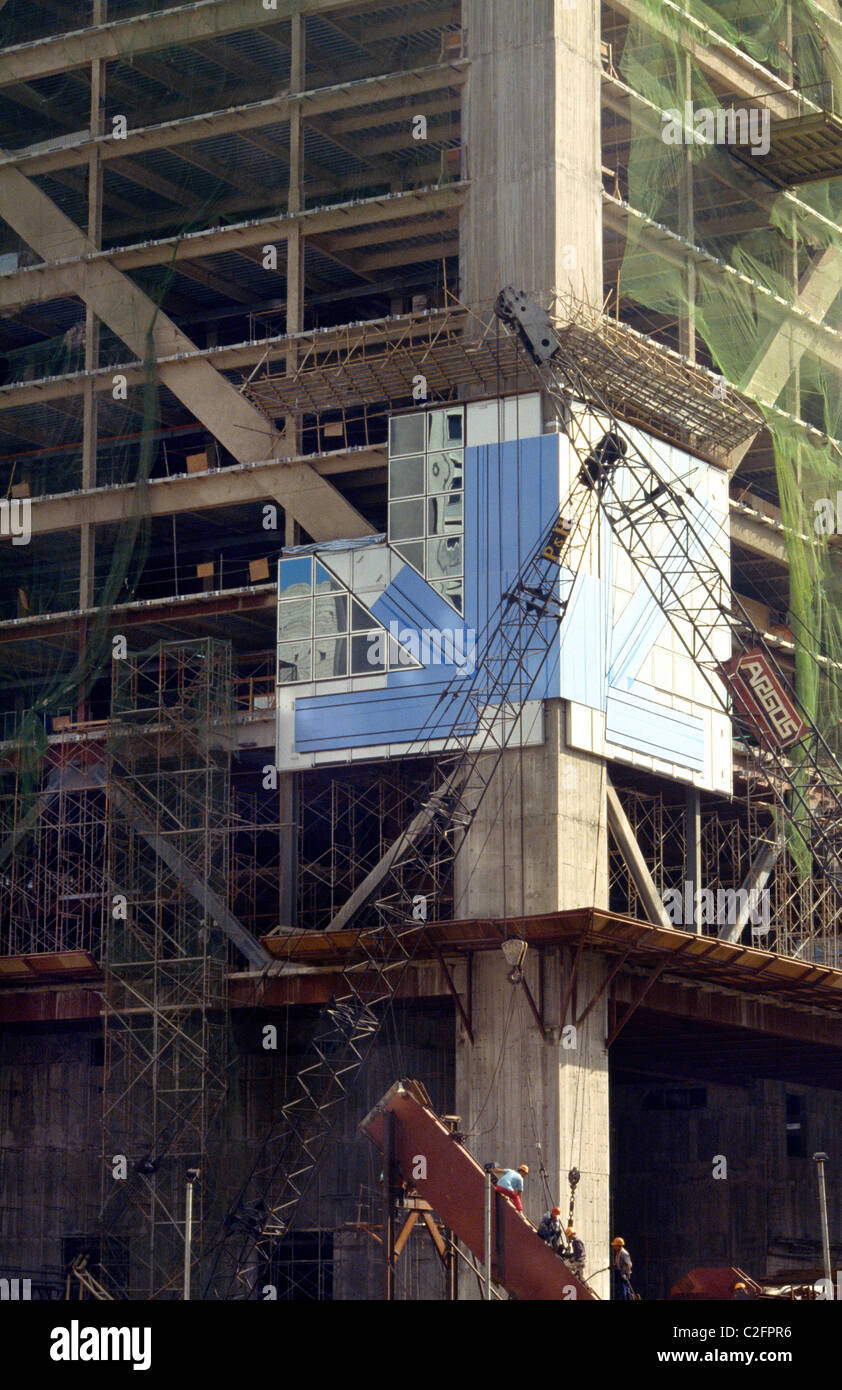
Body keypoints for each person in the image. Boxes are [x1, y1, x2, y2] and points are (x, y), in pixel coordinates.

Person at [612, 1235, 634, 1300]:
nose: (614, 1247)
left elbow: (628, 1264)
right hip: (621, 1272)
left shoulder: (624, 1253)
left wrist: (626, 1274)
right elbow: (619, 1262)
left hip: (624, 1273)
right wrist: (614, 1265)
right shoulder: (618, 1253)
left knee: (624, 1289)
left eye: (615, 1245)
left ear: (619, 1245)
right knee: (624, 1288)